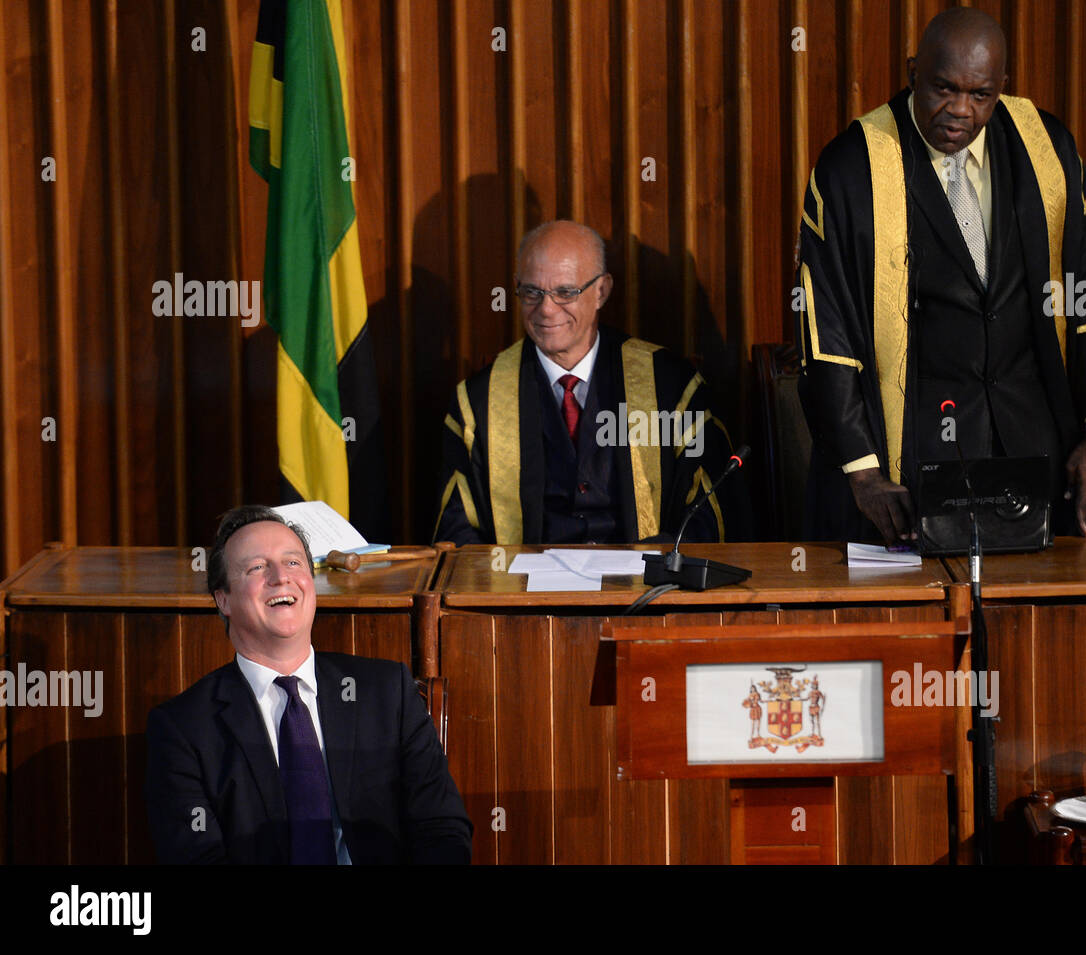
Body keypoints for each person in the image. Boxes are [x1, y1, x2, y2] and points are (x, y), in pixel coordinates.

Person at [796, 8, 1086, 545]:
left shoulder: (1049, 150)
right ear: (912, 73)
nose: (959, 112)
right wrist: (863, 472)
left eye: (980, 96)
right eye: (943, 89)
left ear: (1002, 89)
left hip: (1034, 447)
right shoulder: (851, 167)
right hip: (914, 457)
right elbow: (825, 332)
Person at [146, 505, 472, 864]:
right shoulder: (183, 728)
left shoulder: (387, 692)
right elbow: (195, 858)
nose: (280, 577)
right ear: (223, 599)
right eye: (257, 567)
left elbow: (442, 828)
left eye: (293, 562)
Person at [435, 219, 748, 545]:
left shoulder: (670, 385)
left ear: (601, 291)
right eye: (532, 292)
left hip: (644, 588)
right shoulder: (478, 402)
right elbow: (458, 536)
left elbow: (711, 512)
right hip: (525, 591)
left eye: (565, 292)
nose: (546, 309)